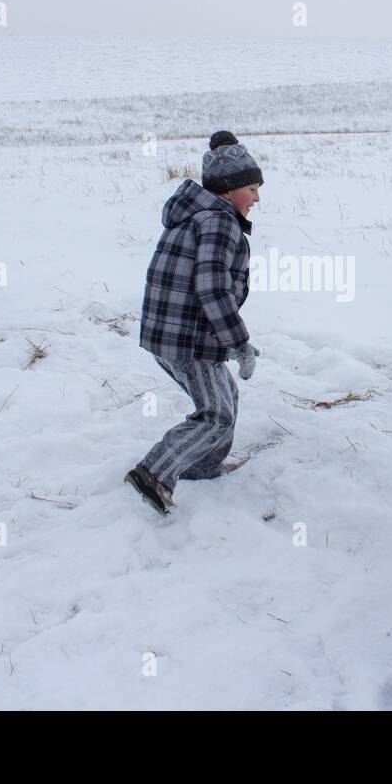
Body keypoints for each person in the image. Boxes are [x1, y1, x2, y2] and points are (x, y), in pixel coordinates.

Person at [125, 131, 263, 514]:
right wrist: (238, 342)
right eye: (252, 189)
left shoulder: (195, 215)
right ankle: (153, 473)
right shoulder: (219, 223)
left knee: (225, 397)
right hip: (190, 341)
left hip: (170, 335)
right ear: (228, 190)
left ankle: (202, 466)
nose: (256, 198)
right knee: (216, 416)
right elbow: (212, 288)